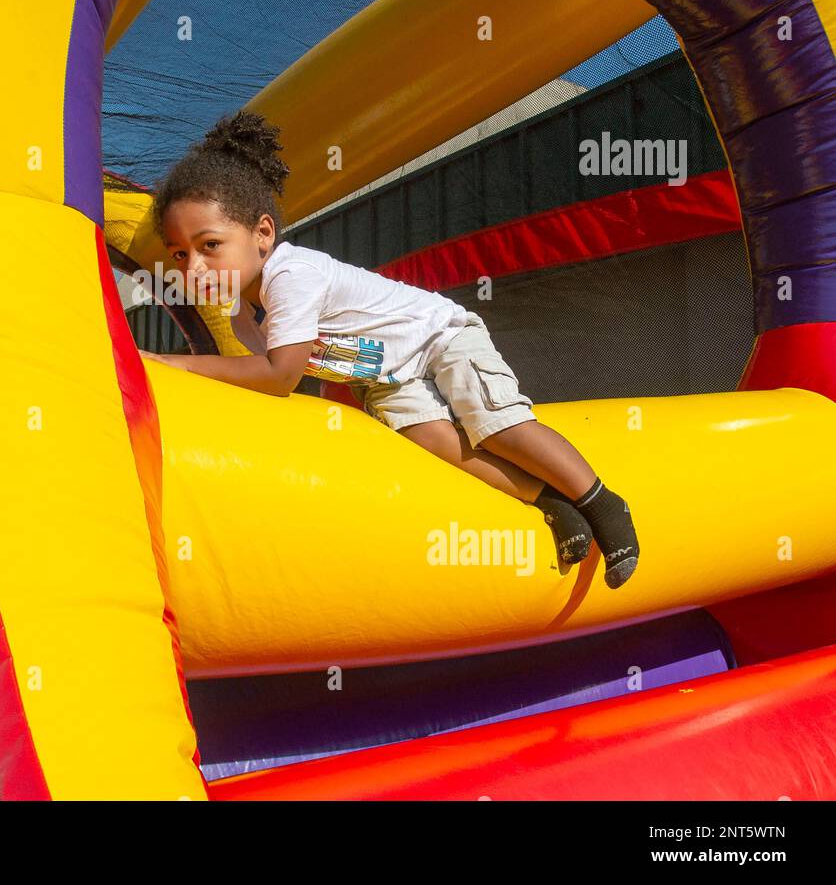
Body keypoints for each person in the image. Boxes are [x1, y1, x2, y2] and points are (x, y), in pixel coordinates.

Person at [139, 109, 639, 588]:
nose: (193, 267)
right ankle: (553, 501)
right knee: (439, 445)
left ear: (262, 233)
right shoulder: (241, 316)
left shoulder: (289, 275)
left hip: (436, 337)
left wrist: (170, 362)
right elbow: (293, 372)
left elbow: (280, 374)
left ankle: (601, 501)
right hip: (381, 373)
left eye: (209, 246)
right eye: (179, 255)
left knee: (496, 425)